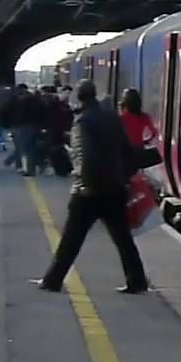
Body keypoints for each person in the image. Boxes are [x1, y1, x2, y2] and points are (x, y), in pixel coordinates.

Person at [31, 80, 149, 294]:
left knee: (71, 239)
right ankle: (137, 281)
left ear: (79, 97)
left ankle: (52, 281)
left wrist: (84, 183)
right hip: (114, 188)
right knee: (123, 239)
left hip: (89, 191)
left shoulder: (82, 121)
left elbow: (85, 157)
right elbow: (127, 151)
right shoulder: (112, 117)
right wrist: (121, 178)